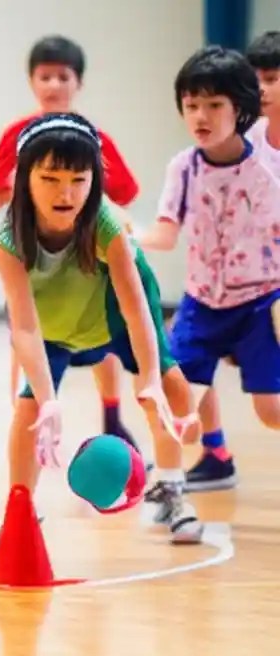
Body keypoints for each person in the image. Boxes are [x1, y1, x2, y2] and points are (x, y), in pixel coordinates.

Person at [0, 112, 204, 572]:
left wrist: (152, 377)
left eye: (79, 179)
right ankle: (18, 513)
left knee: (170, 390)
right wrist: (50, 399)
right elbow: (24, 327)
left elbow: (136, 307)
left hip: (114, 312)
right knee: (29, 411)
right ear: (24, 179)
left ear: (94, 180)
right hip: (50, 325)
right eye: (50, 177)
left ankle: (172, 488)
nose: (66, 192)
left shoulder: (105, 226)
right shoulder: (8, 240)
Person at [0, 35, 144, 447]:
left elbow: (122, 189)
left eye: (62, 77)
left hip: (82, 253)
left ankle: (112, 415)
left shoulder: (92, 139)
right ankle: (28, 408)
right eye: (44, 76)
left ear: (77, 83)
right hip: (34, 253)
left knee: (103, 341)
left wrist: (109, 221)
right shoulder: (17, 134)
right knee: (25, 329)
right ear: (32, 81)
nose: (53, 85)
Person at [139, 46, 280, 502]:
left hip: (259, 303)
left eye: (214, 105)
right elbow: (164, 233)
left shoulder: (263, 174)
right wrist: (125, 236)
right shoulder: (183, 167)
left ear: (240, 109)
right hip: (201, 305)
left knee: (272, 411)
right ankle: (172, 485)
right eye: (191, 104)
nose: (200, 115)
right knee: (173, 399)